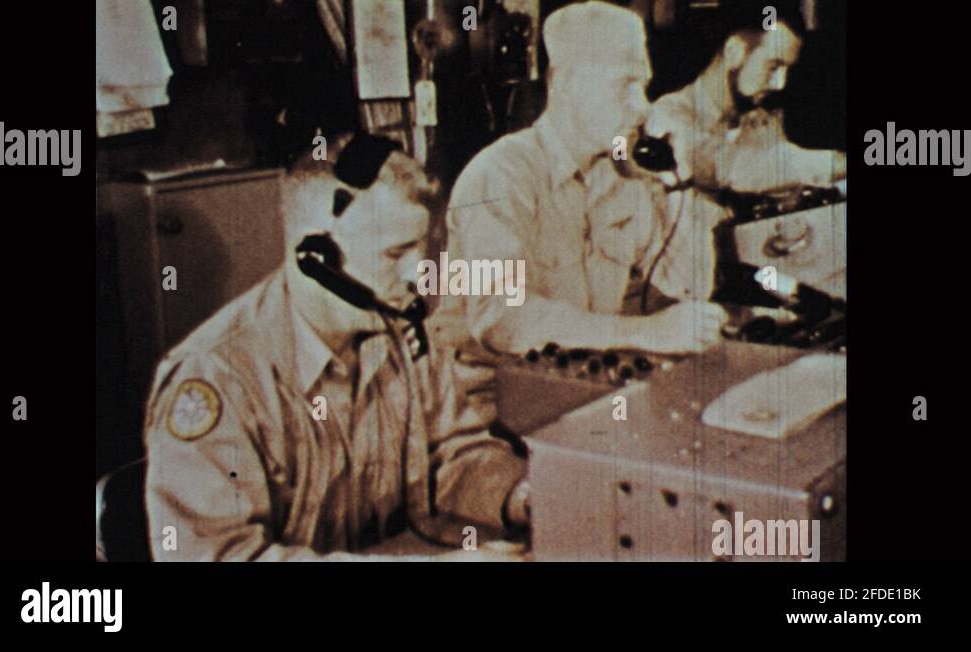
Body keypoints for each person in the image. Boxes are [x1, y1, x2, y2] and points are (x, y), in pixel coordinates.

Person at [143, 134, 528, 561]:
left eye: (421, 250)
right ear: (315, 256)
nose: (418, 276)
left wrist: (517, 495)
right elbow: (221, 556)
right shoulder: (218, 376)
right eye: (394, 253)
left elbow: (454, 455)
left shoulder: (400, 332)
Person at [431, 1, 727, 430]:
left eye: (643, 86)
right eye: (625, 85)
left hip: (578, 399)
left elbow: (689, 288)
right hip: (486, 419)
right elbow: (502, 318)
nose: (642, 106)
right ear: (566, 84)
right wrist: (646, 333)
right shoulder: (497, 176)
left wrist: (677, 182)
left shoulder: (621, 176)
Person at [645, 9, 847, 194]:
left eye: (786, 70)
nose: (779, 84)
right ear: (734, 51)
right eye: (773, 66)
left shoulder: (759, 122)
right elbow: (729, 168)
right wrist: (833, 164)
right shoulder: (668, 115)